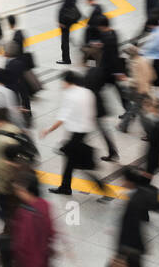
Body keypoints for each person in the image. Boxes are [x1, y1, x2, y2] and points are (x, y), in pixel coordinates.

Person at [42, 71, 110, 199]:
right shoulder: (87, 92)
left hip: (76, 134)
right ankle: (65, 187)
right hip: (85, 131)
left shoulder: (69, 95)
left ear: (67, 82)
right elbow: (92, 112)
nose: (62, 84)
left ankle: (98, 185)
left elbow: (61, 118)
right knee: (70, 161)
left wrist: (48, 130)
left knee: (75, 161)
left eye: (62, 81)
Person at [55, 0, 80, 65]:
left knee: (64, 40)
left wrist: (60, 21)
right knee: (66, 38)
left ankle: (66, 59)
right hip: (70, 19)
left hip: (65, 21)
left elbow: (62, 9)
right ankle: (66, 58)